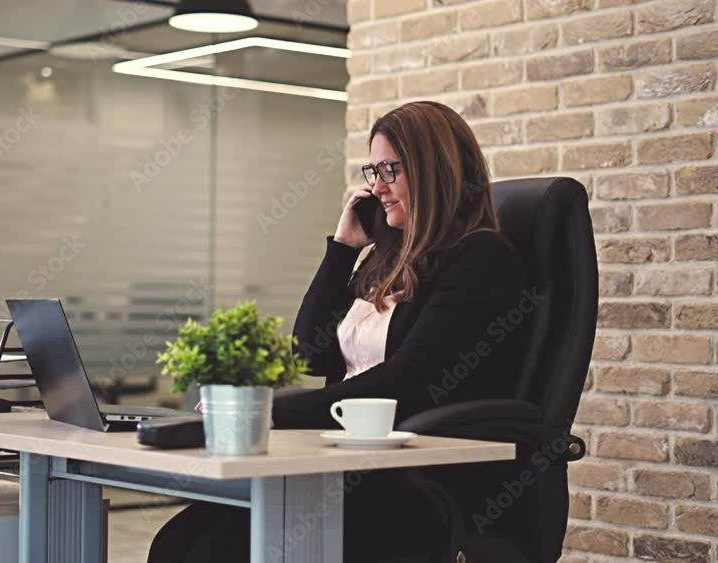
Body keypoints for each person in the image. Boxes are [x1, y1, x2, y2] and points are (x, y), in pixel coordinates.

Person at [148, 101, 527, 563]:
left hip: (408, 480)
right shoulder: (387, 262)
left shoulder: (479, 258)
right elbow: (310, 353)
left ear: (435, 170)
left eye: (391, 170)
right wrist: (343, 249)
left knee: (215, 552)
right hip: (341, 464)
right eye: (373, 170)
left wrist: (269, 413)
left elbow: (405, 381)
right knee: (174, 542)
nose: (378, 186)